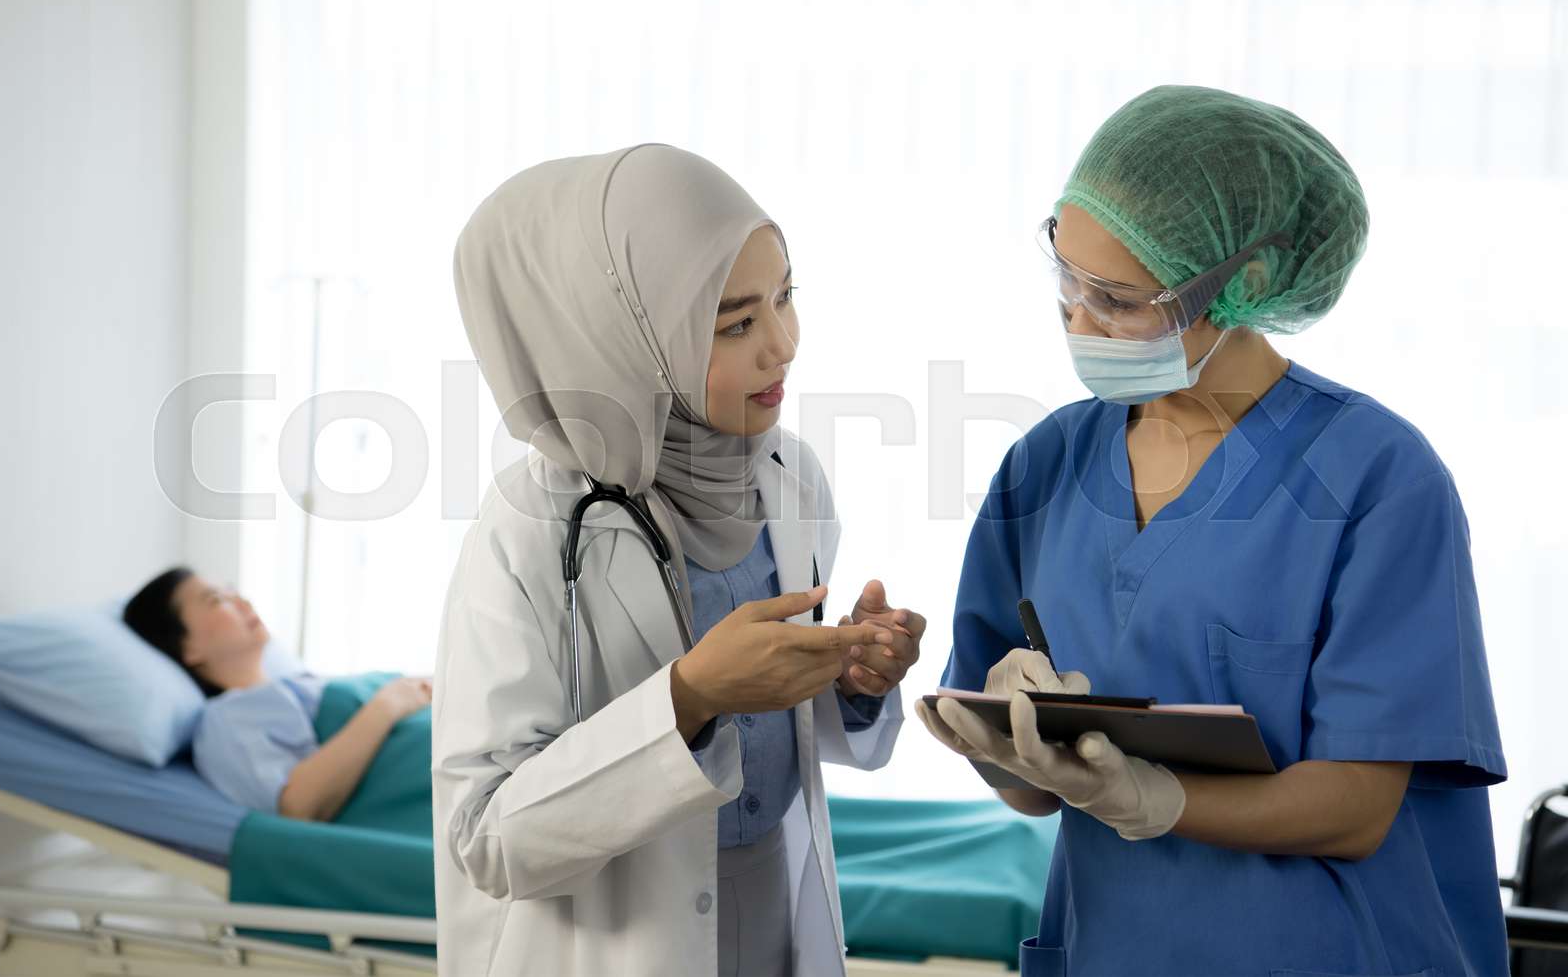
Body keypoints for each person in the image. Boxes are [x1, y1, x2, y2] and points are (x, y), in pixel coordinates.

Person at [917, 86, 1507, 975]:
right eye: (1065, 277)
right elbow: (1032, 798)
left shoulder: (1379, 479)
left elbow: (1356, 807)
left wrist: (1154, 796)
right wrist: (1005, 744)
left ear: (1244, 284)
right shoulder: (1046, 468)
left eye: (1115, 296)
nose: (1077, 316)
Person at [433, 144, 926, 977]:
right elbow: (485, 835)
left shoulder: (786, 470)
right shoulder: (529, 529)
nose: (784, 344)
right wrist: (689, 697)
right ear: (628, 337)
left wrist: (851, 676)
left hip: (771, 907)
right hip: (613, 945)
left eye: (786, 296)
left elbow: (782, 730)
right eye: (735, 322)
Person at [123, 567, 432, 820]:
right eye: (217, 600)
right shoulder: (225, 720)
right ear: (187, 647)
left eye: (233, 591)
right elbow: (297, 804)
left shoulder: (301, 684)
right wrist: (385, 707)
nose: (242, 601)